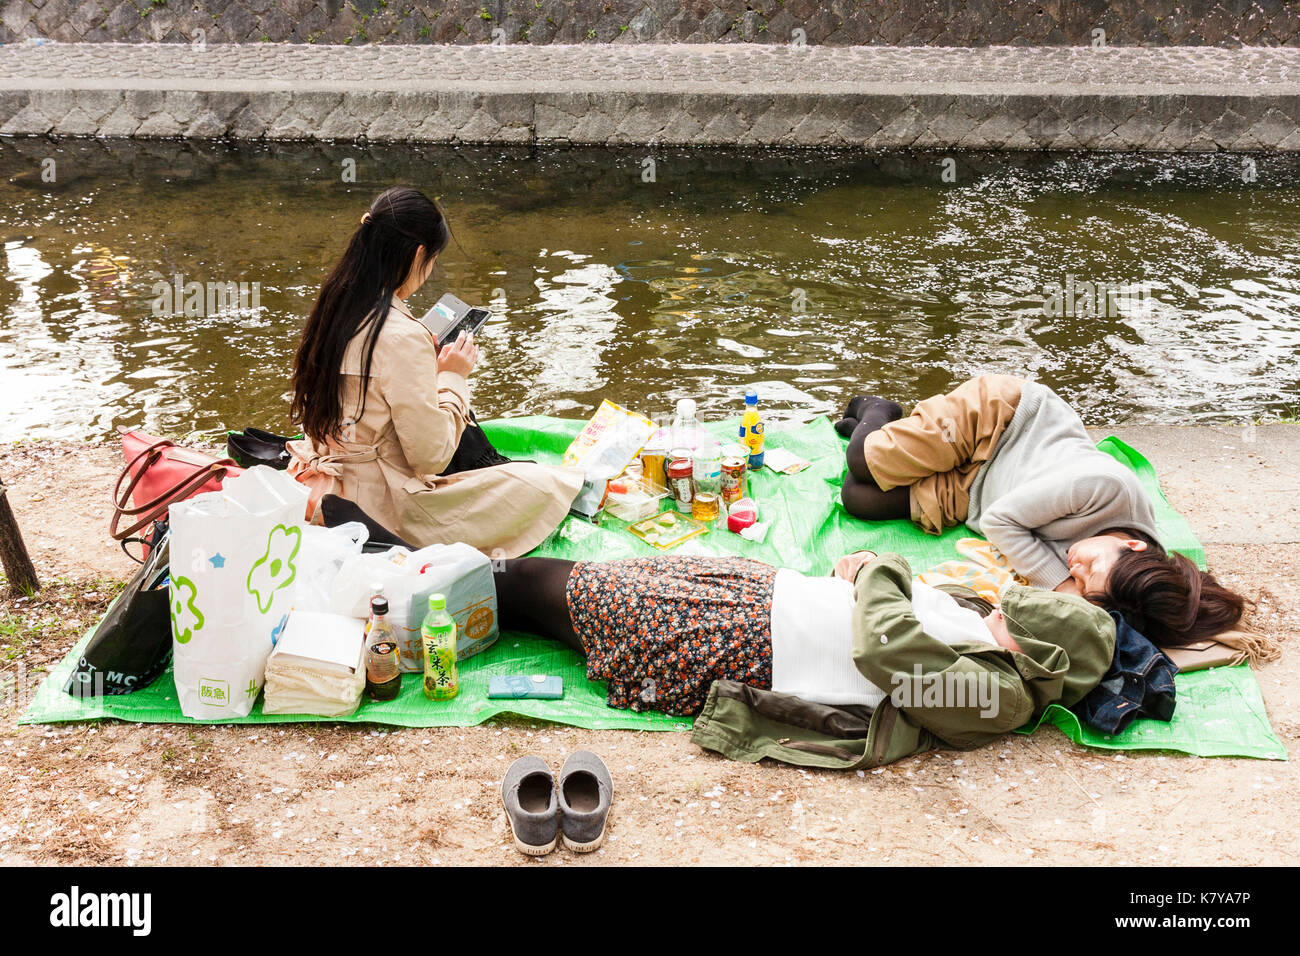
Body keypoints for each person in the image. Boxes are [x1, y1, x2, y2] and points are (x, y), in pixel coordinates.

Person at [835, 375, 1245, 646]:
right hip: (1000, 423)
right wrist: (1061, 585)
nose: (1076, 568)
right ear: (1133, 545)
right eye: (1090, 567)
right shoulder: (1104, 487)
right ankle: (878, 411)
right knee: (860, 463)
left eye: (1084, 585)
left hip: (980, 488)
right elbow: (1000, 521)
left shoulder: (1122, 586)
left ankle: (892, 442)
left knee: (859, 498)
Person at [286, 186, 584, 557]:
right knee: (541, 484)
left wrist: (424, 364)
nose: (428, 273)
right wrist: (453, 376)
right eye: (433, 262)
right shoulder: (399, 333)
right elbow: (430, 457)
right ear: (419, 254)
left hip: (324, 483)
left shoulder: (333, 306)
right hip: (381, 507)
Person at [490, 549, 1113, 726]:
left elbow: (882, 650)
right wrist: (857, 575)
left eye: (1011, 618)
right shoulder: (993, 656)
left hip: (740, 641)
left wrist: (879, 568)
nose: (996, 611)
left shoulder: (993, 698)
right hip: (763, 603)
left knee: (525, 583)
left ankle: (405, 579)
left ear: (1031, 654)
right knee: (544, 581)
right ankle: (423, 574)